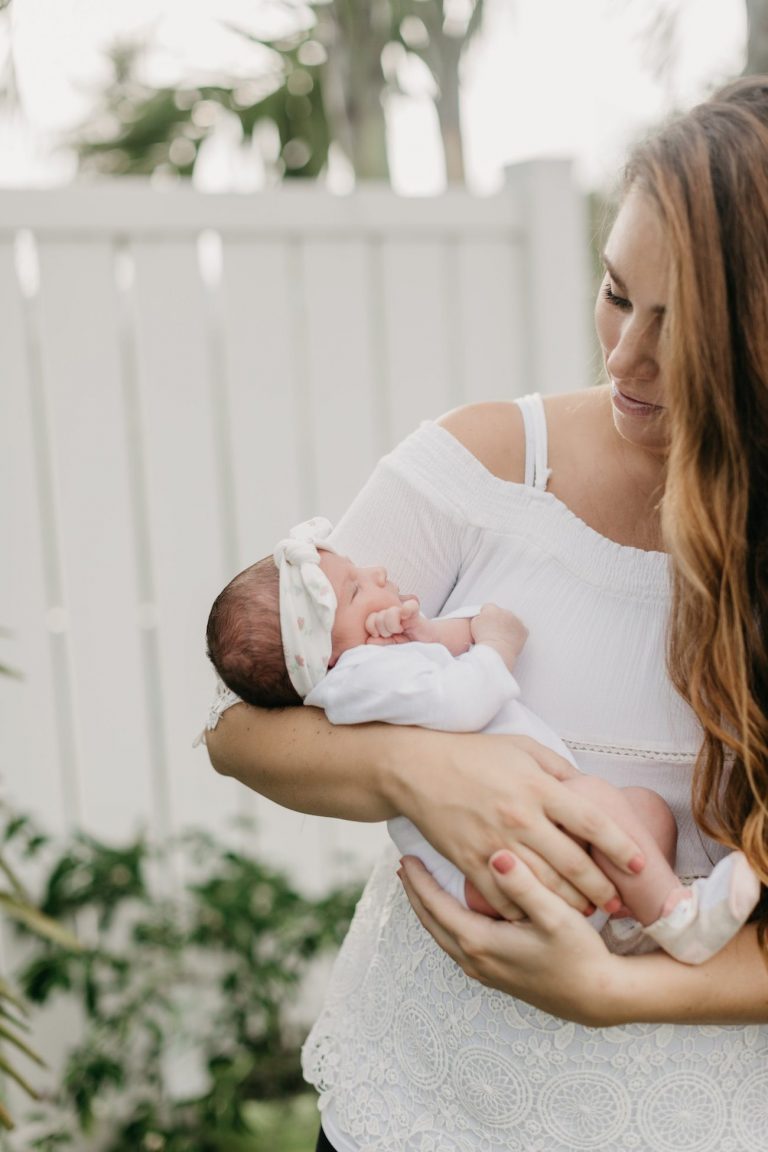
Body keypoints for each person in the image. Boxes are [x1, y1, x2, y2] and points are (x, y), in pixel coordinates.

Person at [204, 76, 768, 1152]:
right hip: (417, 1111)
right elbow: (239, 727)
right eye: (613, 294)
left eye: (676, 325)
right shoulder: (488, 466)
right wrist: (423, 772)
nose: (622, 359)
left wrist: (609, 993)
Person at [204, 518, 759, 963]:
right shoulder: (356, 680)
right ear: (324, 654)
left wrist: (432, 633)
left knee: (645, 813)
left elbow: (460, 638)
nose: (375, 573)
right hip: (489, 866)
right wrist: (495, 649)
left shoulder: (378, 668)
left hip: (525, 839)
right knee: (605, 808)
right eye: (355, 588)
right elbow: (463, 702)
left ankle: (631, 922)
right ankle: (677, 916)